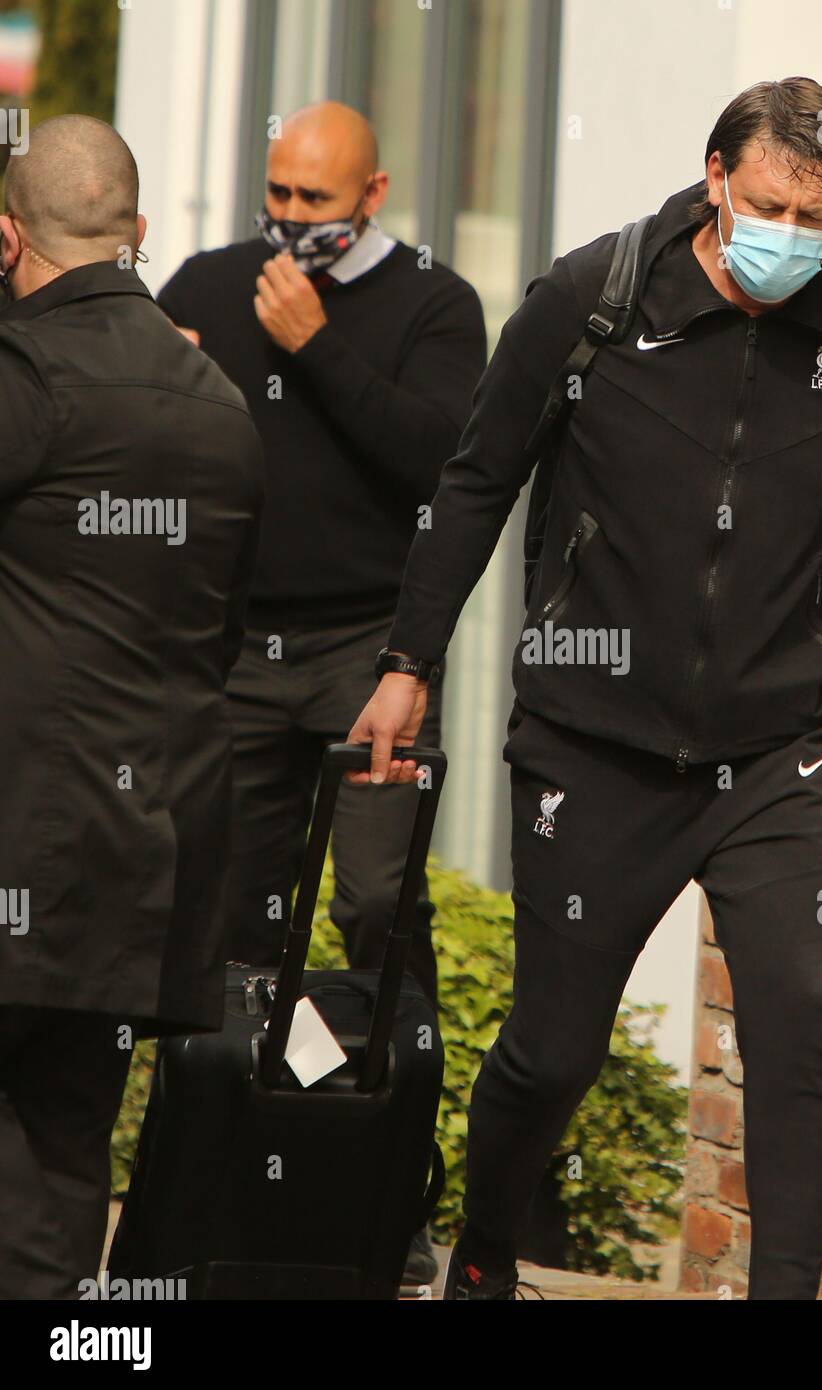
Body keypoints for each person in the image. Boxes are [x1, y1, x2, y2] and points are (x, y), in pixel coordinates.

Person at [348, 78, 822, 1301]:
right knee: (552, 1052)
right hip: (595, 746)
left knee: (806, 1030)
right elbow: (476, 482)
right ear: (716, 175)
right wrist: (407, 663)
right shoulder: (593, 298)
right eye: (777, 204)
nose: (795, 236)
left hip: (784, 747)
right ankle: (483, 1253)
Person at [157, 100, 485, 1289]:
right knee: (234, 923)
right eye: (280, 196)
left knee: (378, 908)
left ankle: (392, 1186)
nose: (291, 222)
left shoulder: (436, 307)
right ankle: (246, 1181)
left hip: (368, 652)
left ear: (374, 193)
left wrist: (316, 348)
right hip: (238, 650)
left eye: (318, 201)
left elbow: (442, 464)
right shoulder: (203, 281)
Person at [0, 115, 264, 1299]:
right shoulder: (219, 401)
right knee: (59, 1167)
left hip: (21, 827)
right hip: (142, 859)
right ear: (139, 234)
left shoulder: (28, 376)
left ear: (7, 238)